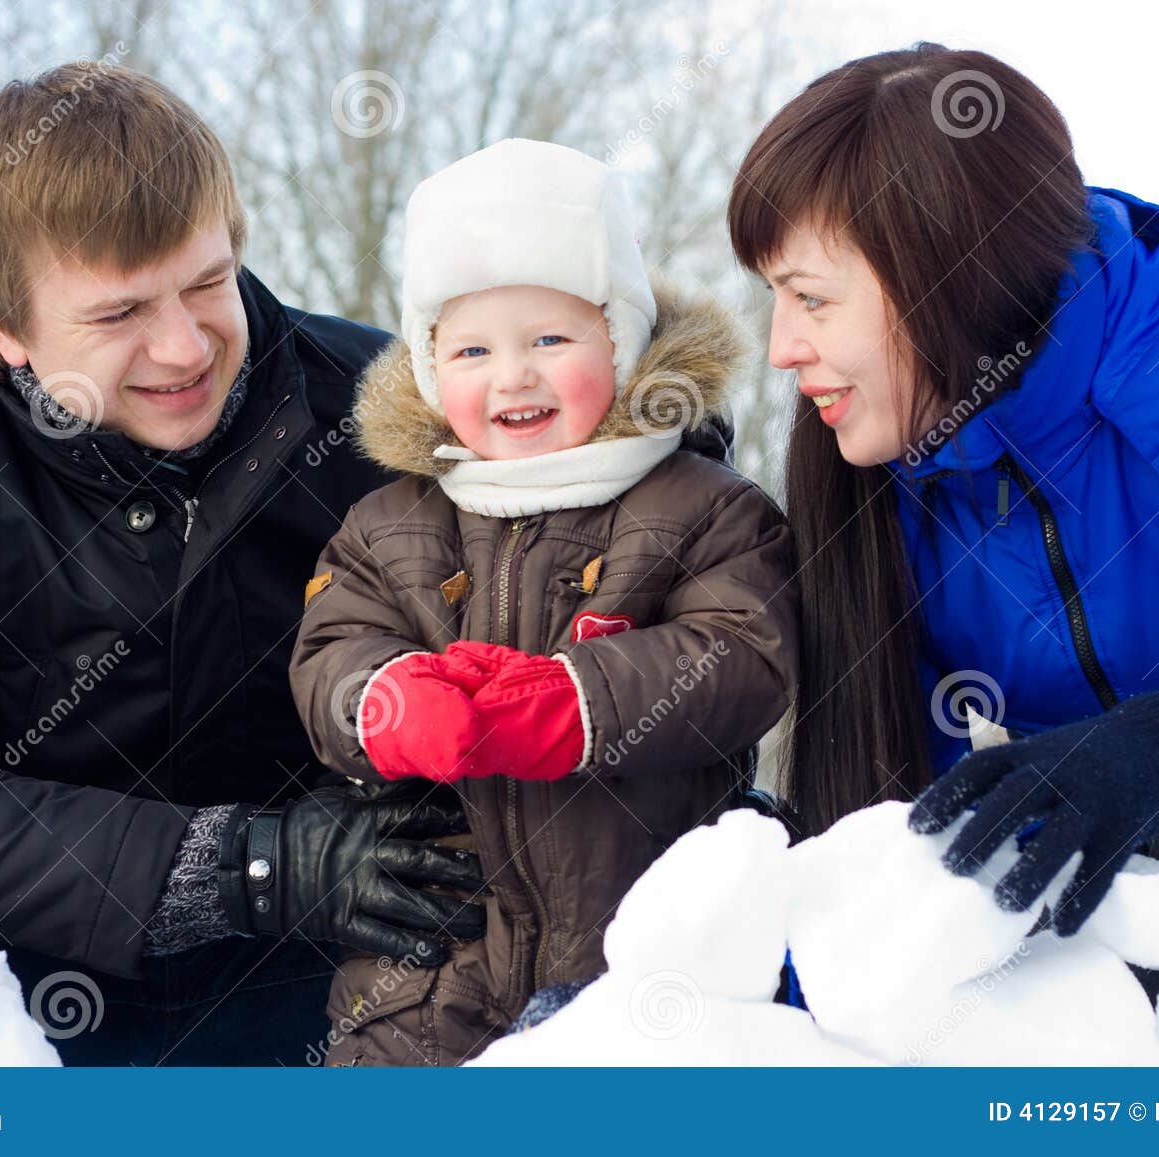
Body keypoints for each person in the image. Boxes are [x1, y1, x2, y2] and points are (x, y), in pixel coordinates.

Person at [0, 62, 484, 1066]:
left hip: (339, 969)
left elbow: (552, 617)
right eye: (118, 316)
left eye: (207, 282)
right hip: (20, 987)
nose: (184, 344)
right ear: (2, 323)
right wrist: (249, 865)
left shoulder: (379, 406)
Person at [726, 43, 1159, 947]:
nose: (781, 348)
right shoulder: (885, 471)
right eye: (774, 297)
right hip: (1097, 953)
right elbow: (913, 846)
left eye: (811, 298)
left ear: (948, 271)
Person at [289, 139, 799, 1064]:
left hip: (644, 978)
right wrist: (386, 700)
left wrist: (576, 703)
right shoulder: (387, 524)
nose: (512, 375)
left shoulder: (704, 505)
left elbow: (745, 653)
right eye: (473, 348)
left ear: (623, 338)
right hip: (424, 987)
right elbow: (334, 647)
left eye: (550, 339)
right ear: (428, 364)